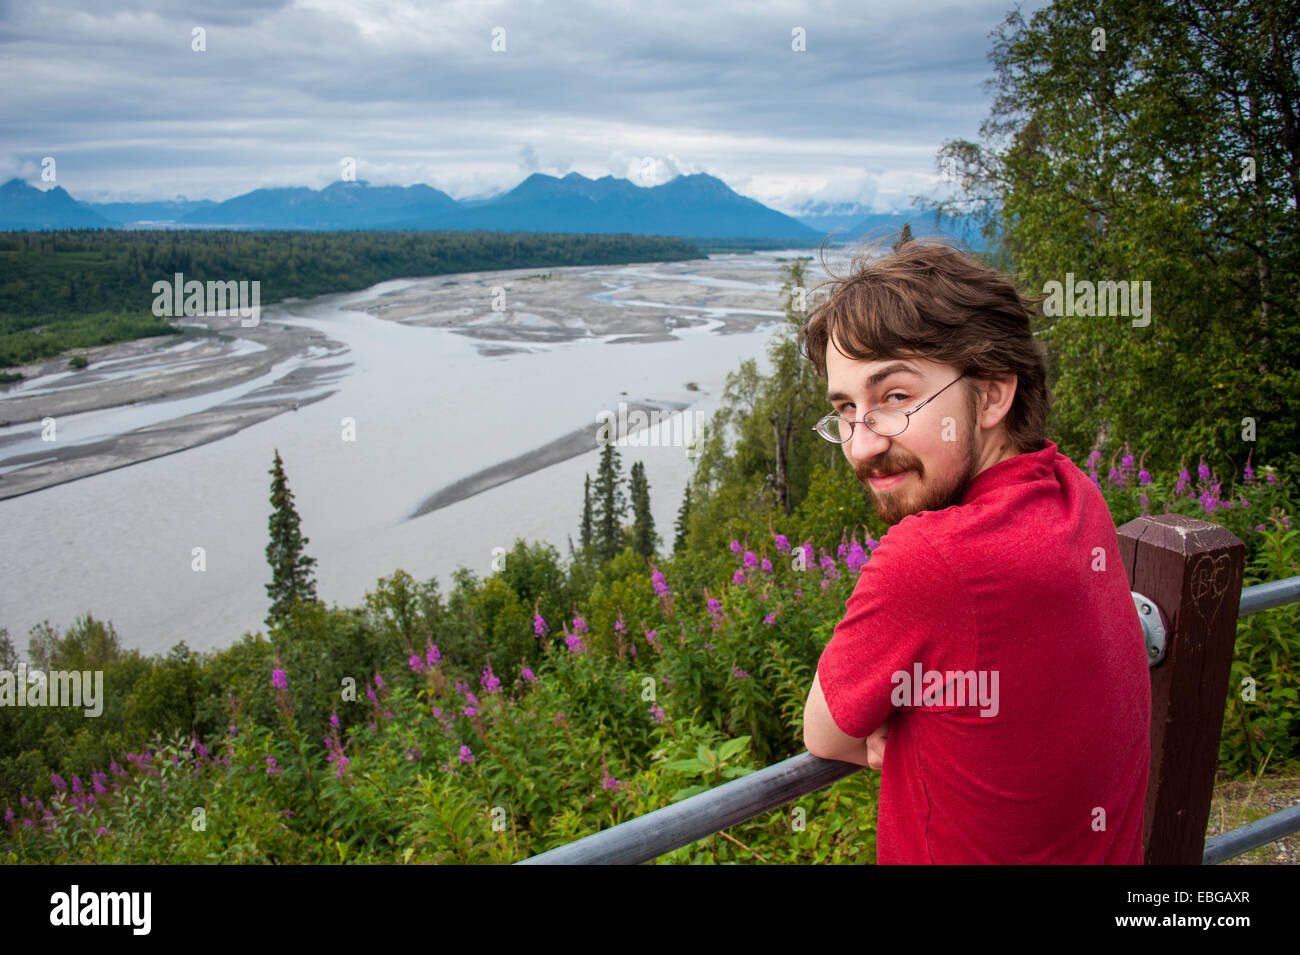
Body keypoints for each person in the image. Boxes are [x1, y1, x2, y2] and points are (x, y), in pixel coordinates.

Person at [799, 234, 1150, 864]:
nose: (860, 445)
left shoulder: (931, 557)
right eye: (847, 410)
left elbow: (824, 732)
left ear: (990, 394)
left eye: (895, 398)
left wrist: (896, 715)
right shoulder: (1073, 495)